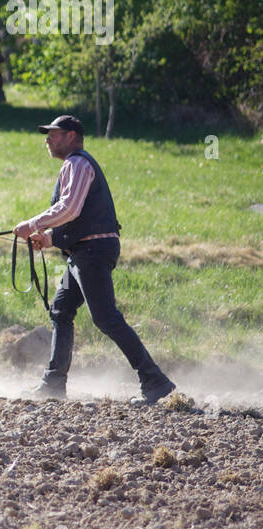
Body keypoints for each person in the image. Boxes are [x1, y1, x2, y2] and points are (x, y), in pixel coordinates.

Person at [14, 115, 176, 405]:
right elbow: (78, 219)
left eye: (54, 134)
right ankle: (53, 384)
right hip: (83, 252)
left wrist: (33, 225)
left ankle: (155, 381)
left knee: (106, 318)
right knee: (61, 310)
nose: (47, 139)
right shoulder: (73, 165)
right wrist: (48, 239)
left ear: (72, 136)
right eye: (47, 134)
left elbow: (71, 208)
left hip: (92, 252)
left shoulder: (78, 163)